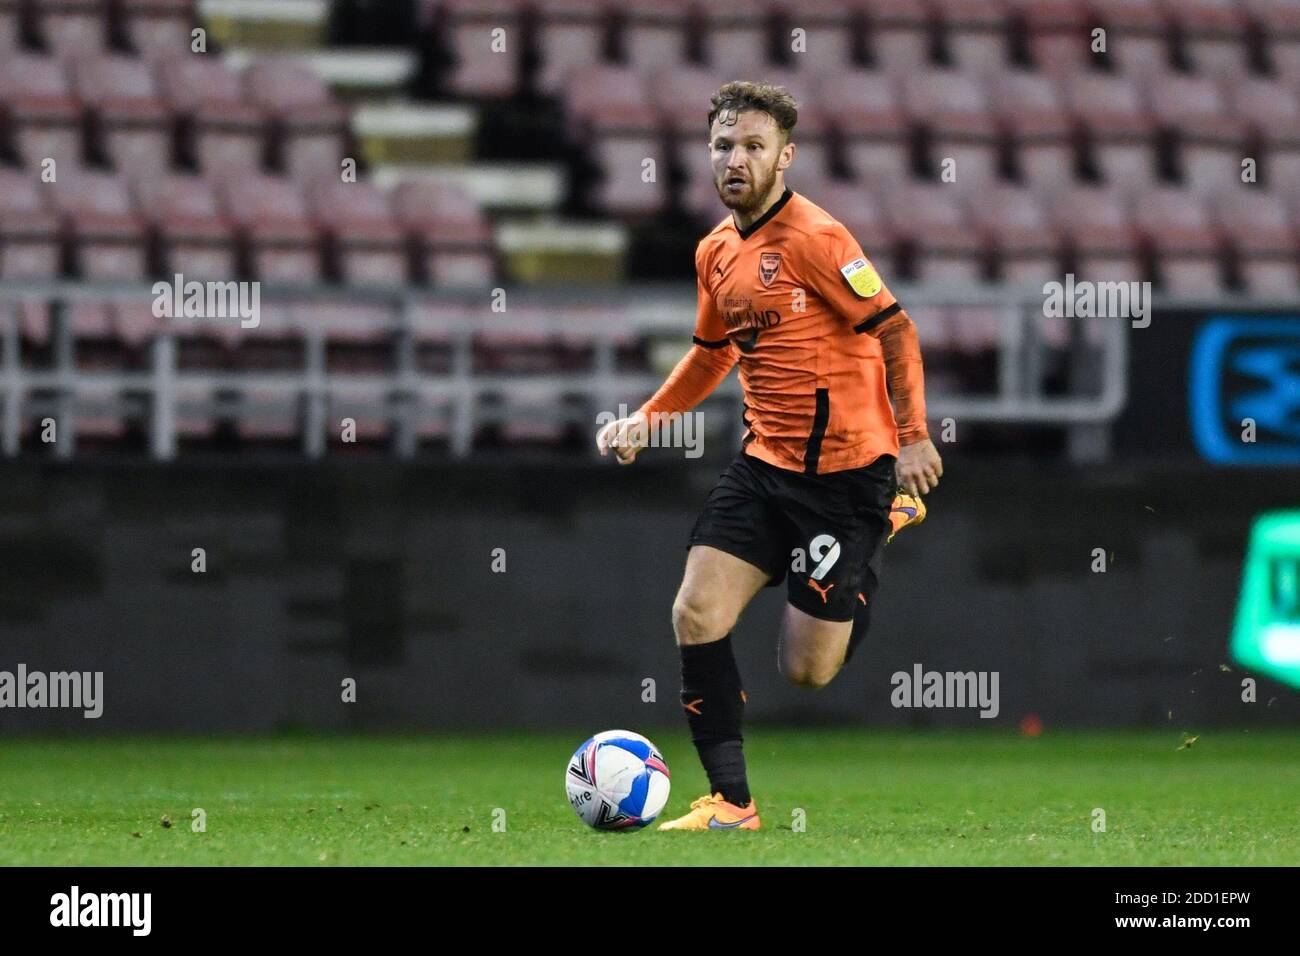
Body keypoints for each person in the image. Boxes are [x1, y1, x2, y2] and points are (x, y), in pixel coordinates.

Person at [597, 81, 942, 831]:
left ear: (785, 156)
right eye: (724, 145)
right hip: (762, 468)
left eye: (754, 146)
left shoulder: (818, 239)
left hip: (847, 476)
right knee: (695, 611)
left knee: (807, 671)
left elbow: (896, 329)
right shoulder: (715, 252)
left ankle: (877, 528)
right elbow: (711, 353)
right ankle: (732, 803)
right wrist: (647, 420)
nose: (736, 159)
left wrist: (913, 434)